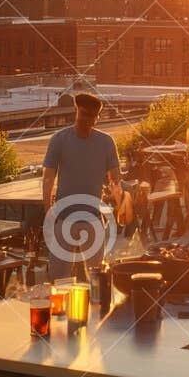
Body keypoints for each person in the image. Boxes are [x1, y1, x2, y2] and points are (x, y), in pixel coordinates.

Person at [42, 92, 122, 279]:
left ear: (97, 117)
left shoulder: (106, 142)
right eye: (84, 114)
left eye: (93, 116)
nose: (88, 119)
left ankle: (95, 307)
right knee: (59, 276)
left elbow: (115, 179)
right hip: (63, 219)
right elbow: (48, 179)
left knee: (96, 276)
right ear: (76, 112)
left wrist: (120, 204)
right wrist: (48, 210)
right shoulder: (59, 139)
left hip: (93, 218)